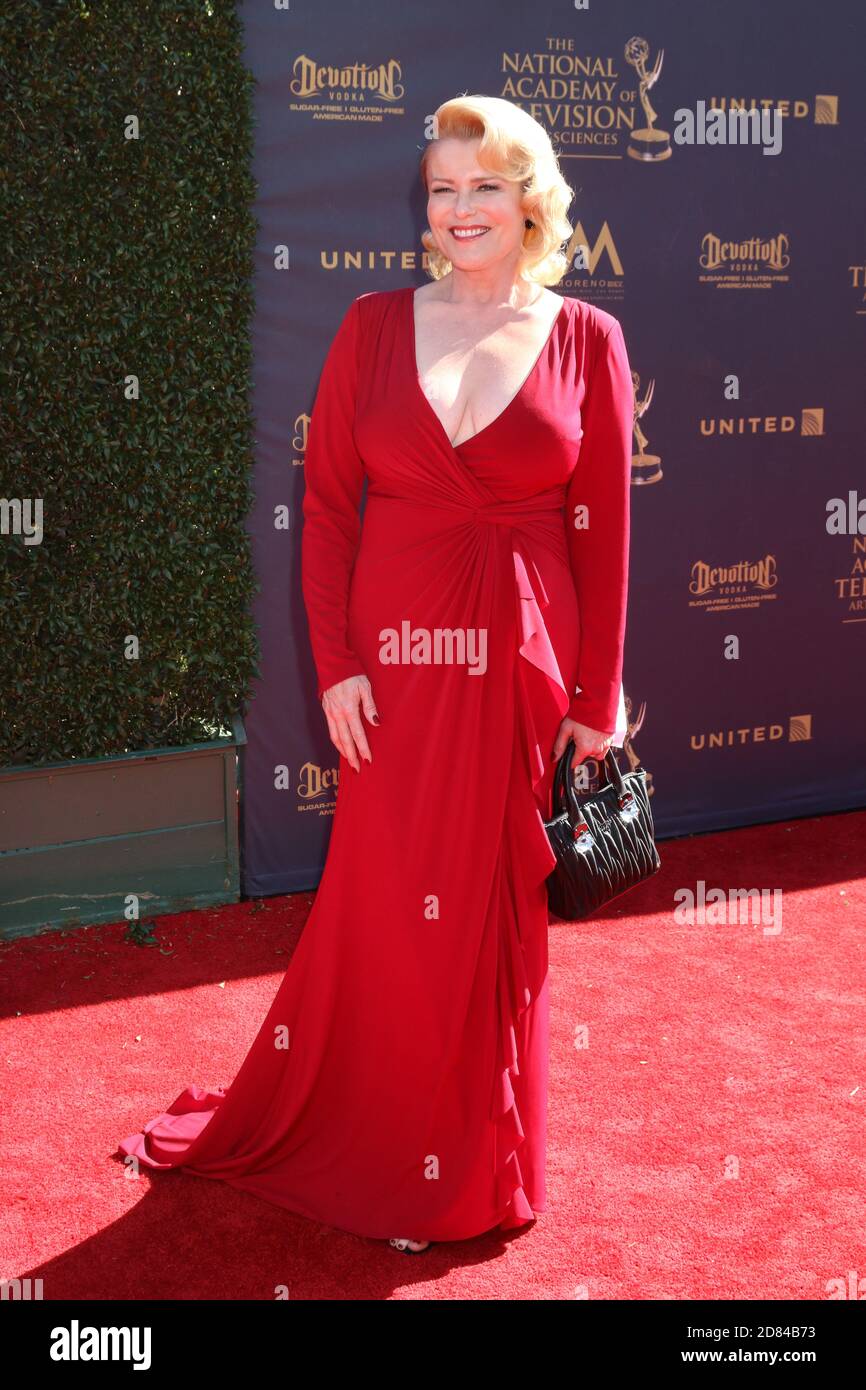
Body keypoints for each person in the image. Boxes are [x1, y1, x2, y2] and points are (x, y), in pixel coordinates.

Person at [117, 94, 632, 1258]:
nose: (460, 210)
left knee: (489, 917)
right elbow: (330, 511)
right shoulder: (367, 325)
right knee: (397, 912)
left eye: (484, 187)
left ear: (529, 199)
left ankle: (472, 1167)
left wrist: (596, 700)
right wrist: (338, 667)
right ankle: (392, 1147)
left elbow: (603, 538)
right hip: (392, 673)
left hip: (515, 671)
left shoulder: (585, 339)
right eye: (443, 189)